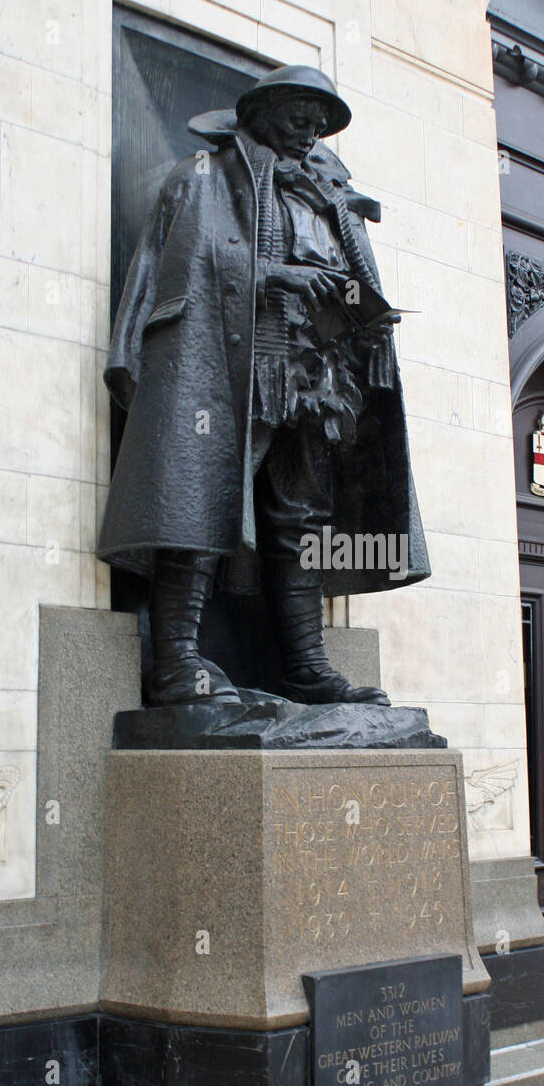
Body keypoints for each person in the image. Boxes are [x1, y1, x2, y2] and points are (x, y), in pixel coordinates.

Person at [98, 65, 429, 707]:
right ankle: (175, 665)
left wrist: (361, 313)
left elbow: (350, 274)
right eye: (298, 118)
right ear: (261, 111)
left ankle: (306, 665)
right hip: (232, 362)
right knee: (198, 498)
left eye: (318, 124)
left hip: (317, 376)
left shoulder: (328, 194)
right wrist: (275, 276)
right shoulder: (208, 177)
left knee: (299, 517)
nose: (309, 133)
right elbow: (192, 260)